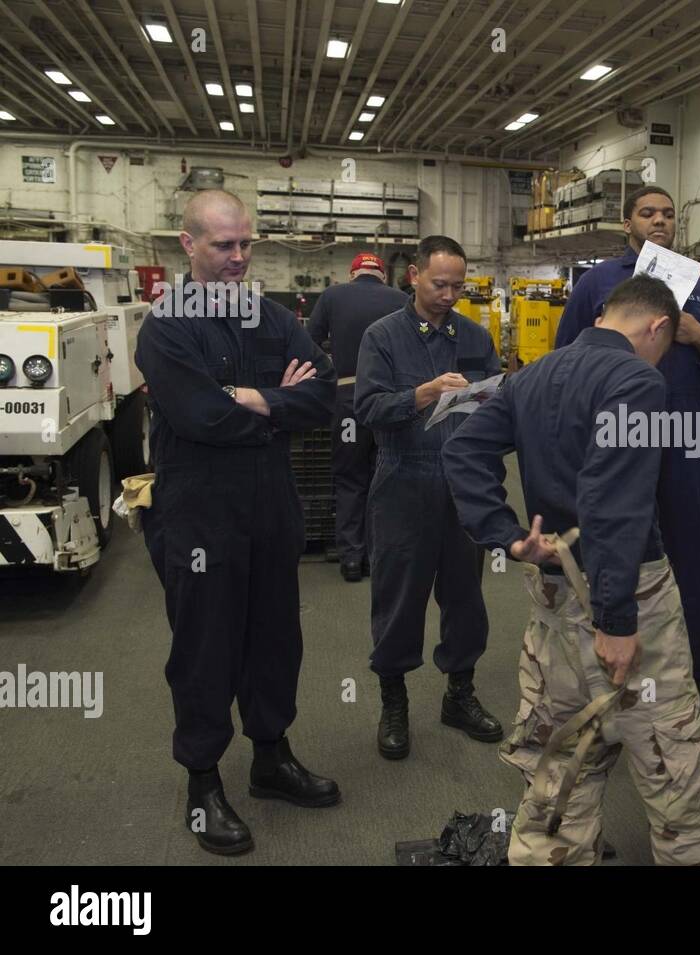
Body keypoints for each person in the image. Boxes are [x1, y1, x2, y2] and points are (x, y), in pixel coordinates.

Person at [443, 275, 700, 865]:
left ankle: (549, 854)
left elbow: (462, 449)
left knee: (563, 750)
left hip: (554, 592)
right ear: (658, 327)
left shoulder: (532, 374)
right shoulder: (637, 378)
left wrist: (505, 535)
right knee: (674, 758)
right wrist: (615, 619)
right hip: (626, 595)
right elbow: (612, 502)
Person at [136, 189, 340, 856]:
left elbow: (322, 393)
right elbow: (201, 416)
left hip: (272, 506)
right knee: (205, 645)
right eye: (224, 244)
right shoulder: (166, 327)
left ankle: (270, 757)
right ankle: (202, 782)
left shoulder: (272, 315)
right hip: (199, 511)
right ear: (187, 245)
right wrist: (276, 403)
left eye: (245, 243)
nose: (238, 256)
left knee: (276, 635)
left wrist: (257, 399)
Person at [553, 186, 700, 739]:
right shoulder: (597, 285)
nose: (660, 220)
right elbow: (567, 360)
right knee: (608, 557)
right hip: (616, 440)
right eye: (648, 213)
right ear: (627, 222)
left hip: (685, 440)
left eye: (667, 213)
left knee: (691, 561)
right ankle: (602, 679)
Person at [354, 235, 502, 759]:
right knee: (399, 596)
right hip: (403, 479)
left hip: (463, 480)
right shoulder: (383, 336)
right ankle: (393, 701)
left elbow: (493, 400)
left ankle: (459, 695)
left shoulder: (476, 336)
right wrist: (423, 393)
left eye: (458, 285)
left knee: (465, 595)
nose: (449, 294)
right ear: (413, 275)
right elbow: (367, 407)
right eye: (440, 283)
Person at [308, 252, 409, 581]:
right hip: (387, 403)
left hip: (348, 400)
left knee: (350, 479)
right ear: (382, 274)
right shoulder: (400, 299)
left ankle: (351, 559)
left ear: (352, 274)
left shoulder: (332, 296)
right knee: (385, 477)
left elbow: (308, 344)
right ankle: (378, 554)